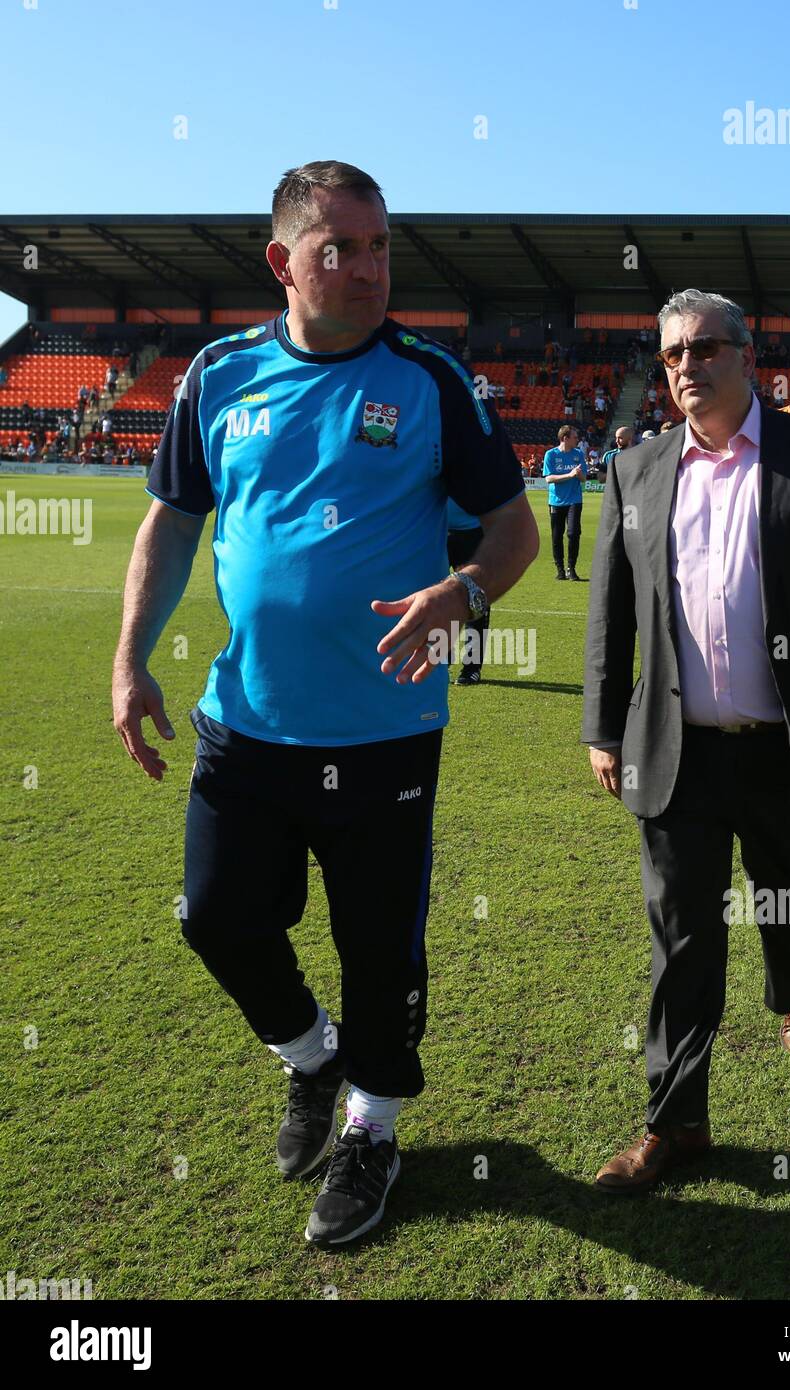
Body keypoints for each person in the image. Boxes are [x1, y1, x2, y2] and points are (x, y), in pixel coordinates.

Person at [111, 159, 538, 1249]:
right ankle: (311, 1057)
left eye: (380, 246)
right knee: (215, 916)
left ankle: (374, 1130)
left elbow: (512, 529)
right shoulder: (215, 376)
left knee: (379, 948)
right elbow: (168, 526)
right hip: (244, 720)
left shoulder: (431, 381)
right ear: (283, 262)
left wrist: (465, 590)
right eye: (338, 248)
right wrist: (130, 659)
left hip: (386, 730)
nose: (364, 268)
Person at [582, 288, 790, 1193]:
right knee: (681, 937)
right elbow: (610, 612)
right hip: (674, 750)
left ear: (747, 358)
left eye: (705, 349)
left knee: (789, 903)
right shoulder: (634, 469)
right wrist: (603, 726)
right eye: (673, 353)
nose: (686, 366)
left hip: (788, 748)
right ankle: (676, 1124)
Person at [446, 499, 490, 685]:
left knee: (476, 600)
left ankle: (472, 667)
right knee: (434, 598)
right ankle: (440, 663)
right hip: (434, 530)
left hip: (471, 532)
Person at [542, 425, 587, 581]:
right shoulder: (551, 455)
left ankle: (571, 569)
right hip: (556, 501)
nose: (577, 439)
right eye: (575, 437)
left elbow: (583, 479)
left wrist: (579, 475)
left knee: (573, 533)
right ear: (565, 438)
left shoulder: (578, 454)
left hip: (574, 500)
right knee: (556, 536)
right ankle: (560, 569)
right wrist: (570, 474)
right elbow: (549, 479)